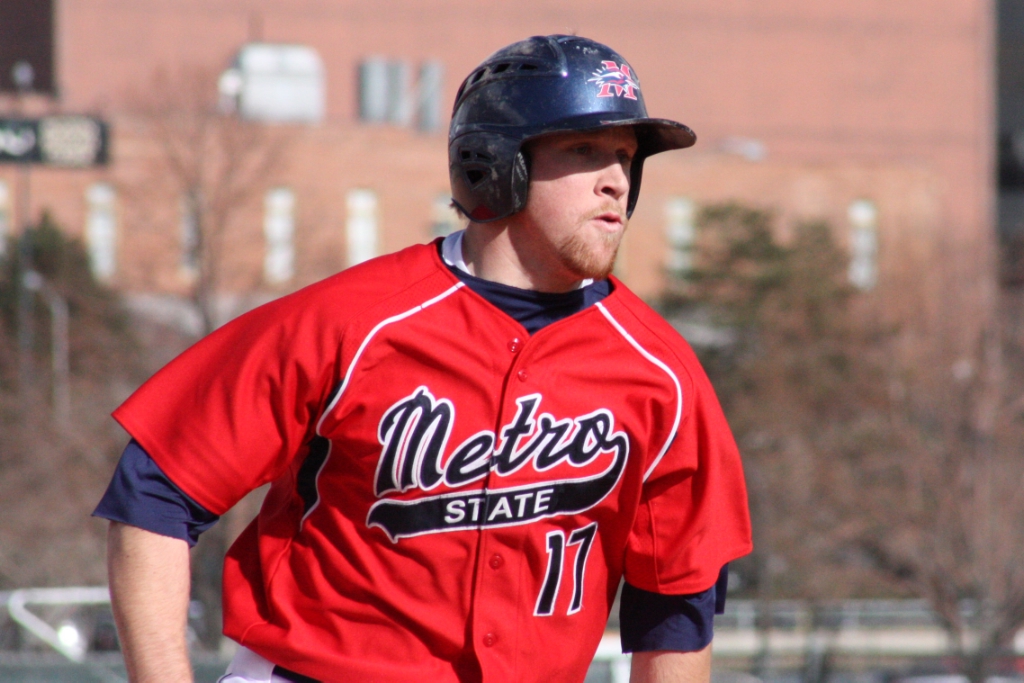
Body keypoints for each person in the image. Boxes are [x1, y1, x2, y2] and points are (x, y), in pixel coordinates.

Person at [95, 34, 752, 683]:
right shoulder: (351, 322)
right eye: (584, 150)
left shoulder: (660, 372)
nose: (615, 182)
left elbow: (677, 602)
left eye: (626, 157)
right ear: (497, 161)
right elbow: (156, 486)